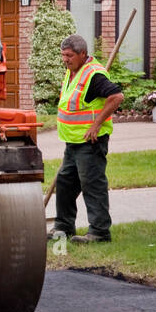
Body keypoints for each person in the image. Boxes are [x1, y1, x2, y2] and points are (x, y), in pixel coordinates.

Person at [53, 33, 124, 243]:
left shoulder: (94, 75)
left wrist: (96, 124)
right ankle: (64, 228)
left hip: (90, 143)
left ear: (82, 54)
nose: (65, 59)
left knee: (92, 185)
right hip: (73, 142)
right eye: (63, 55)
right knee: (65, 183)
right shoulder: (71, 72)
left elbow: (117, 97)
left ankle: (100, 232)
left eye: (69, 55)